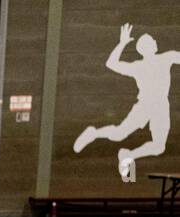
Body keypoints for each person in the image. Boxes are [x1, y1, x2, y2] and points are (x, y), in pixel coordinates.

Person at [73, 23, 180, 178]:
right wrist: (122, 43)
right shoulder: (139, 66)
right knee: (119, 134)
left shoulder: (166, 58)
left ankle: (128, 155)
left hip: (161, 107)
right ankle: (94, 133)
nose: (156, 43)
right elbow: (111, 64)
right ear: (147, 47)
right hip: (144, 105)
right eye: (152, 41)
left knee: (159, 147)